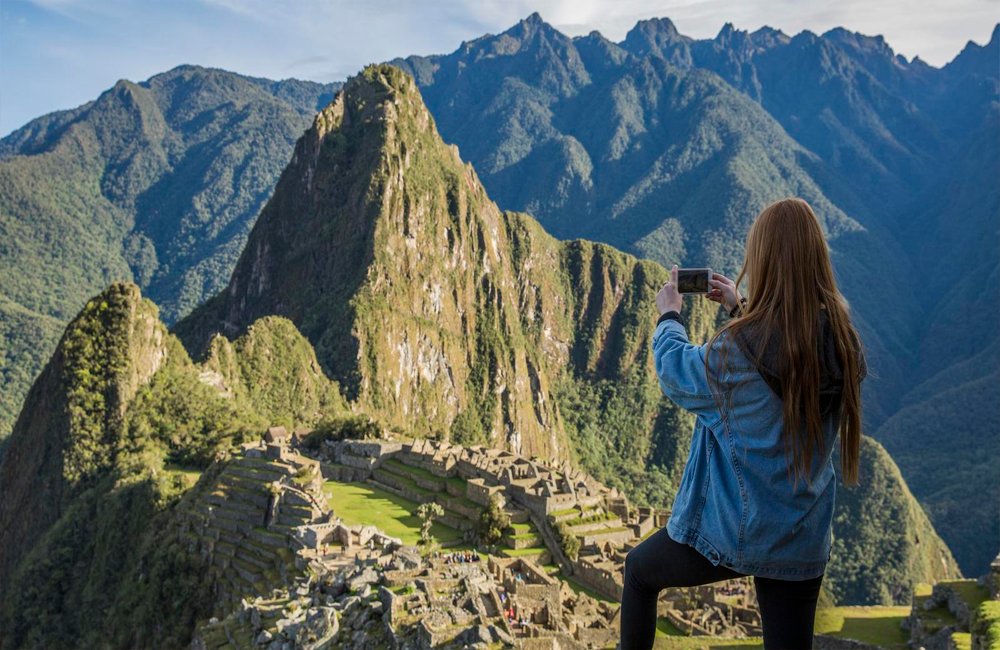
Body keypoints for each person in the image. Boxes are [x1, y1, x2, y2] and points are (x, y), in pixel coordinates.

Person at [620, 197, 867, 649]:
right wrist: (740, 309)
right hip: (801, 534)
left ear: (763, 259)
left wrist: (669, 314)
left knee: (639, 573)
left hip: (738, 531)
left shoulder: (737, 350)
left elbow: (677, 373)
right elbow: (787, 359)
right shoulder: (841, 338)